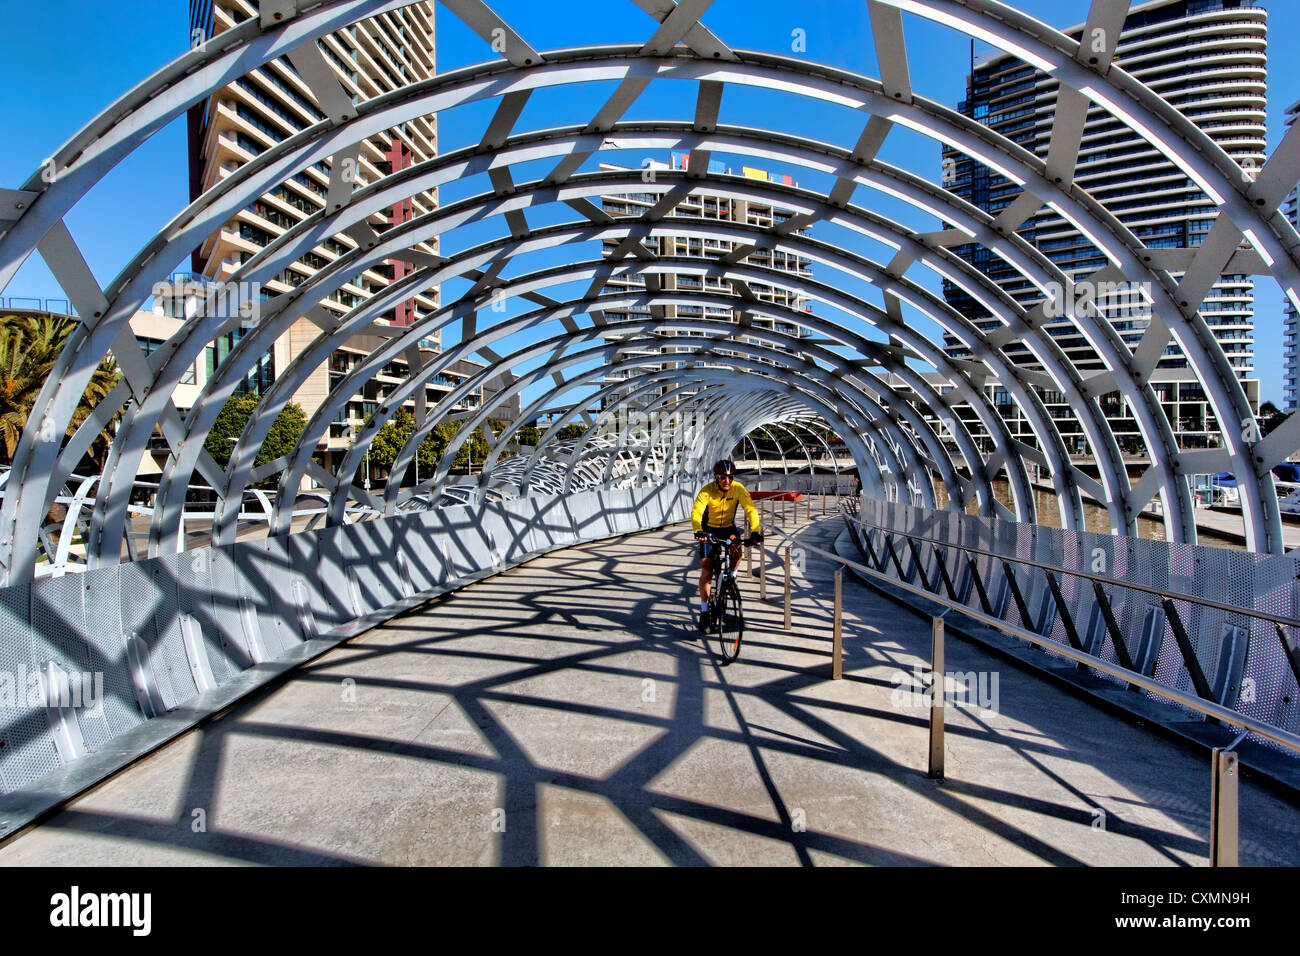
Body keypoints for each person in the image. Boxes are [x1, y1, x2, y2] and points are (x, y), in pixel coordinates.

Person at [691, 459, 762, 632]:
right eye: (723, 477)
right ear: (716, 477)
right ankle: (704, 610)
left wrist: (755, 531)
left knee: (737, 548)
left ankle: (732, 576)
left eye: (730, 477)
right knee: (707, 570)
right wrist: (698, 530)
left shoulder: (738, 489)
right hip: (709, 530)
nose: (727, 481)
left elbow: (750, 509)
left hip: (728, 527)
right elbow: (697, 511)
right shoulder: (707, 491)